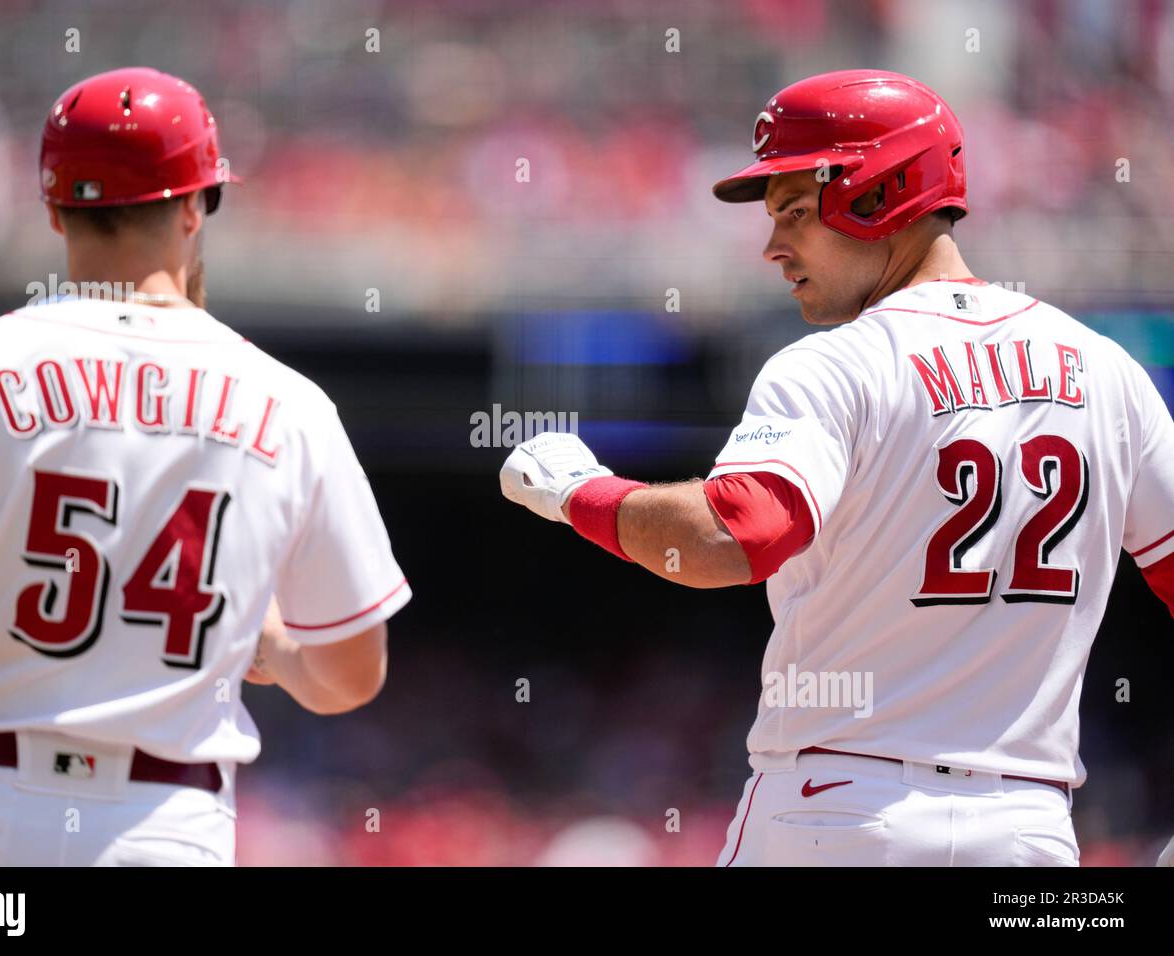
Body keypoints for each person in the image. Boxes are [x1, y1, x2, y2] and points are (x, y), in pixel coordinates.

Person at [500, 69, 1174, 866]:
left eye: (792, 210)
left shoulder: (837, 364)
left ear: (876, 192)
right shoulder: (1107, 370)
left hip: (837, 815)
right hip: (1028, 829)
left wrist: (579, 492)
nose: (772, 245)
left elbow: (732, 536)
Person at [0, 66, 410, 866]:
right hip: (169, 828)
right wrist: (269, 649)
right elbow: (353, 672)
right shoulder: (291, 404)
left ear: (55, 209)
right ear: (197, 205)